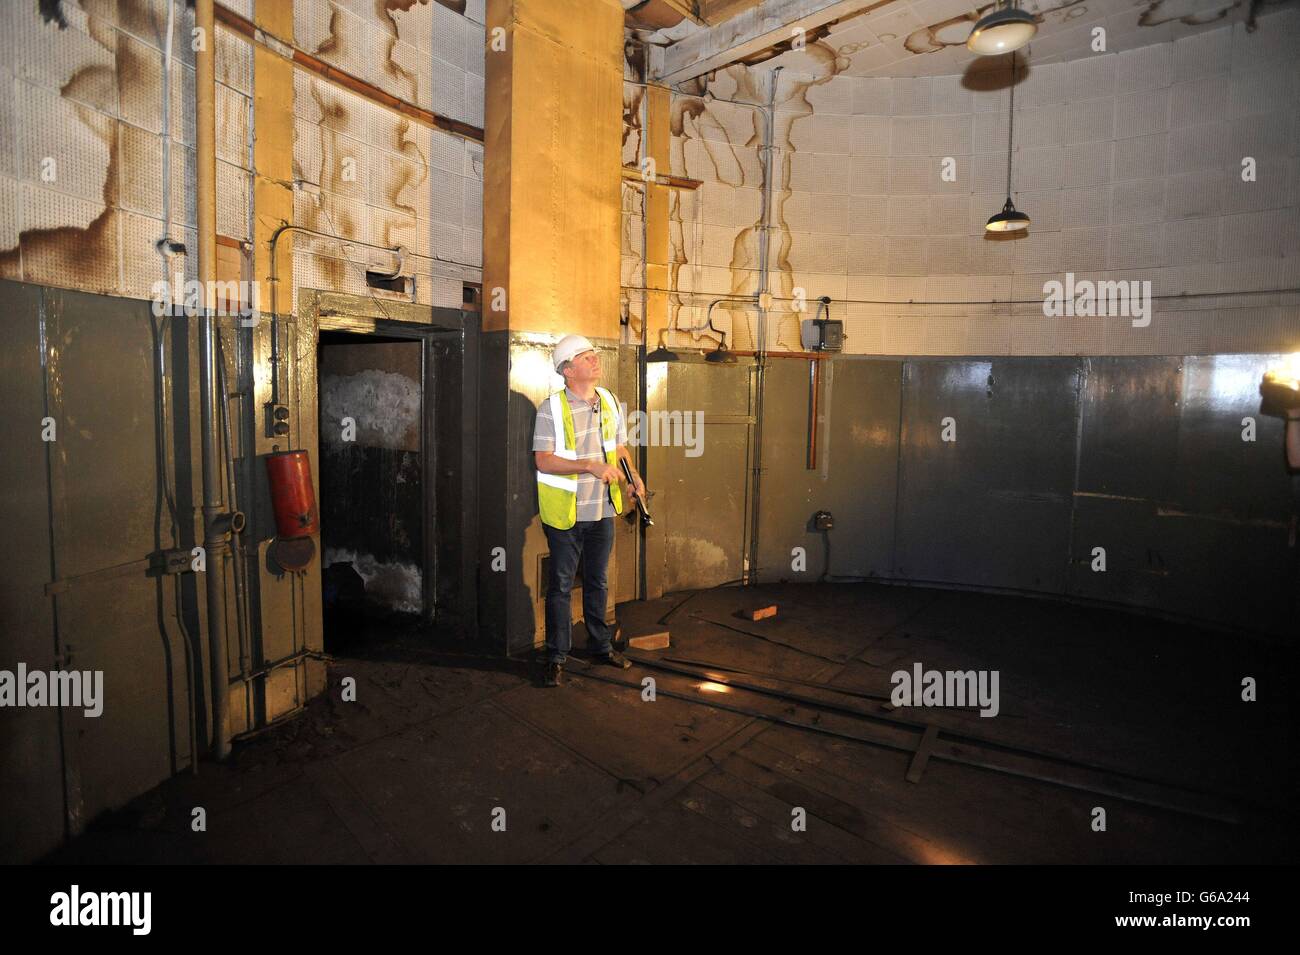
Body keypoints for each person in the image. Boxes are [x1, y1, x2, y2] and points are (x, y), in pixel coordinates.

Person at [533, 334, 647, 687]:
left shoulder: (610, 401)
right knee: (561, 586)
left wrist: (634, 480)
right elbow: (544, 460)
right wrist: (590, 466)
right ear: (568, 370)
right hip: (566, 516)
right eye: (585, 357)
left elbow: (620, 450)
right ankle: (556, 656)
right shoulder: (550, 409)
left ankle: (600, 646)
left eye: (594, 355)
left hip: (602, 512)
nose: (595, 360)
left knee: (598, 581)